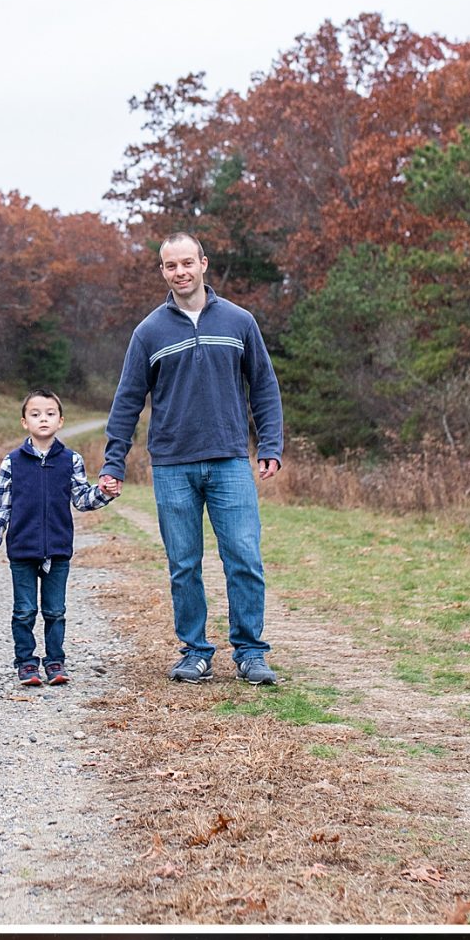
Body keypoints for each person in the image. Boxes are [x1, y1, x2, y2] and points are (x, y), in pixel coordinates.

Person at [96, 235, 284, 686]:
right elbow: (127, 401)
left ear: (203, 264)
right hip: (172, 465)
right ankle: (195, 651)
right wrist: (113, 462)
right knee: (184, 563)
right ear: (162, 272)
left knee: (244, 556)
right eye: (169, 266)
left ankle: (250, 652)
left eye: (186, 263)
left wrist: (271, 445)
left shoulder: (240, 321)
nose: (179, 272)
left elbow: (263, 387)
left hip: (229, 461)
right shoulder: (149, 332)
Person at [0, 389, 109, 686]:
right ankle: (26, 663)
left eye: (49, 414)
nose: (43, 419)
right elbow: (1, 509)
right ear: (25, 422)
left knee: (55, 611)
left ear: (61, 421)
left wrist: (103, 492)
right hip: (22, 550)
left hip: (58, 549)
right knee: (24, 611)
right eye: (35, 414)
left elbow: (82, 499)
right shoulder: (12, 462)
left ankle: (55, 662)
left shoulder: (70, 460)